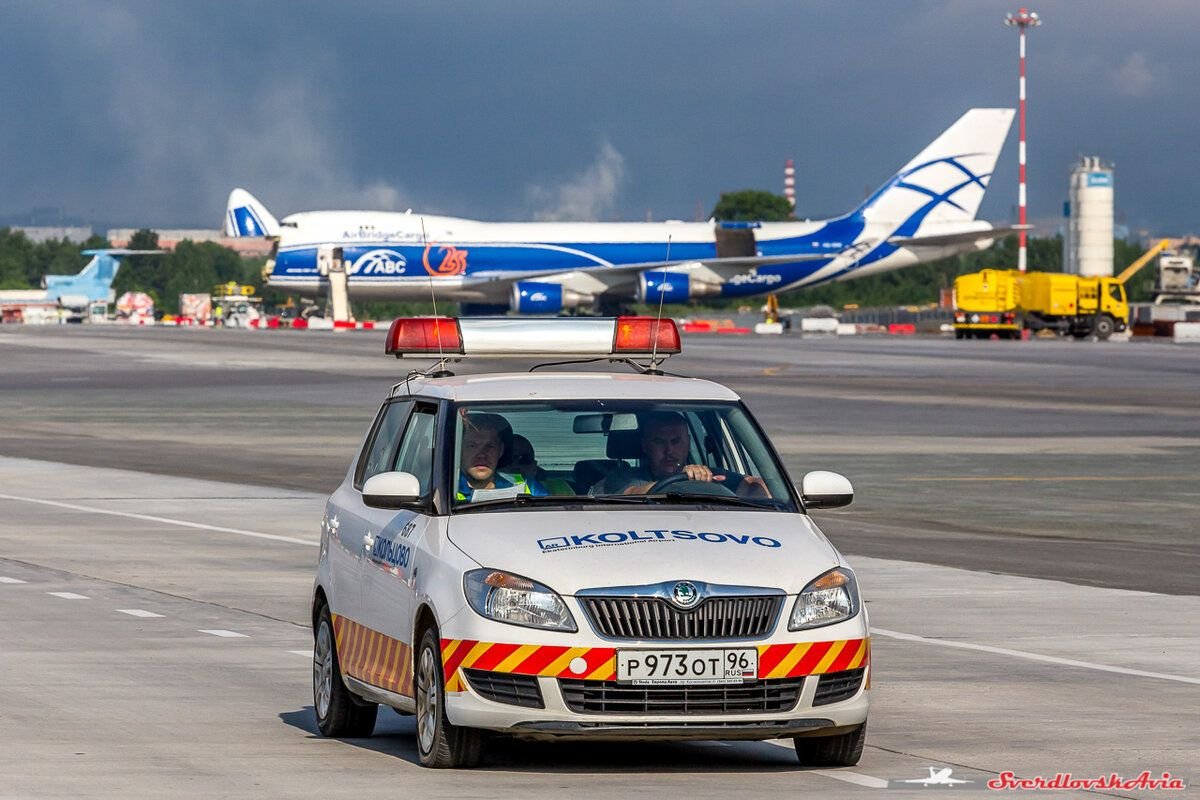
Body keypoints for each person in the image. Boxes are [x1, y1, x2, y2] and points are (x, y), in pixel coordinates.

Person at [593, 411, 770, 498]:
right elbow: (631, 493)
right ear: (645, 446)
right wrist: (683, 480)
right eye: (659, 442)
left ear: (688, 443)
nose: (669, 451)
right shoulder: (622, 477)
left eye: (676, 441)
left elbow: (757, 487)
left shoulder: (710, 476)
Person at [456, 413, 548, 501]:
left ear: (501, 450)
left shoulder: (527, 487)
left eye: (490, 446)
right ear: (459, 449)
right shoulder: (446, 489)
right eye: (472, 446)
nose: (481, 455)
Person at [501, 435, 574, 496]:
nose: (515, 465)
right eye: (507, 459)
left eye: (524, 459)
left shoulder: (560, 487)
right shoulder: (491, 491)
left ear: (534, 467)